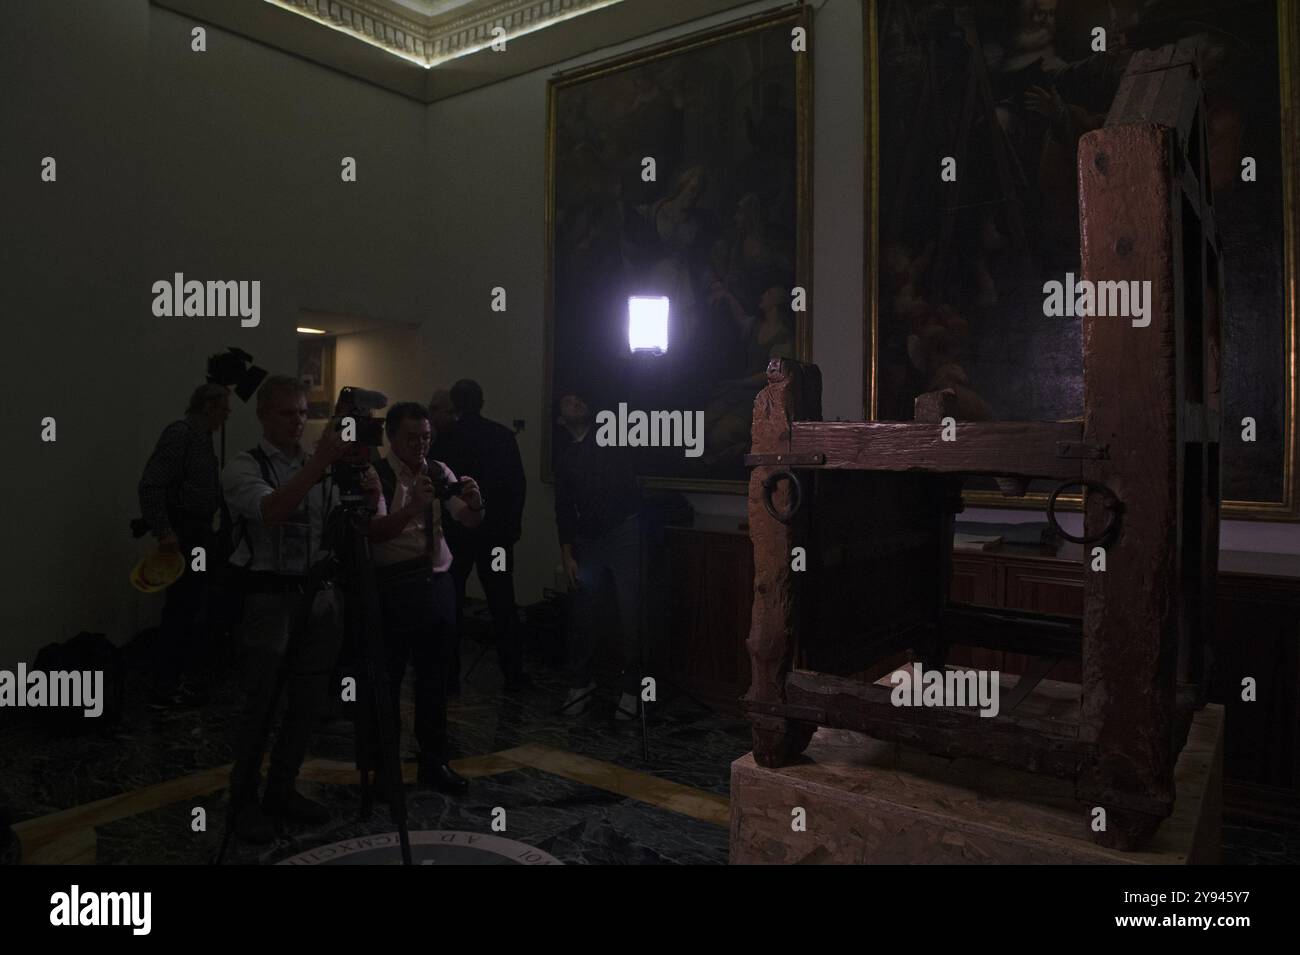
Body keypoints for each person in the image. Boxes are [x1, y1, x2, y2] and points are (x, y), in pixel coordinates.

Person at [221, 375, 381, 843]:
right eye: (286, 413)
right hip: (269, 596)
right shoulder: (242, 466)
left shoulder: (319, 465)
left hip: (320, 593)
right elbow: (273, 509)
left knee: (308, 702)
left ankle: (283, 787)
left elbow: (338, 522)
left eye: (302, 412)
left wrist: (364, 493)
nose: (296, 421)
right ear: (264, 416)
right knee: (261, 704)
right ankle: (243, 800)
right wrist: (323, 462)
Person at [368, 401, 483, 794]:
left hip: (437, 582)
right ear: (392, 437)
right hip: (394, 583)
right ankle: (385, 771)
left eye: (427, 437)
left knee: (435, 680)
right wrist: (414, 503)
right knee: (388, 680)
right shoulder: (376, 474)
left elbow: (467, 520)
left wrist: (475, 503)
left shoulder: (438, 470)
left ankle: (434, 763)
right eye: (412, 437)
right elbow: (376, 533)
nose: (420, 445)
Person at [137, 383, 230, 709]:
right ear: (209, 407)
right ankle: (164, 684)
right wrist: (165, 532)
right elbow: (151, 485)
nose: (227, 415)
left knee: (194, 607)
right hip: (185, 534)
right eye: (223, 408)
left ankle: (179, 679)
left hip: (200, 534)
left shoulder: (202, 439)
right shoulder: (181, 435)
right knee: (181, 609)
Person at [553, 391, 643, 720]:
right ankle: (581, 683)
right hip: (587, 540)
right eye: (568, 401)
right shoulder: (565, 457)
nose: (576, 402)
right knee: (583, 612)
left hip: (622, 533)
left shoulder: (611, 437)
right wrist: (567, 553)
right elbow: (562, 507)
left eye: (580, 399)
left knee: (630, 612)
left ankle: (633, 690)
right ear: (560, 419)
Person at [439, 380, 529, 690]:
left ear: (455, 403)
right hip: (496, 537)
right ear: (482, 401)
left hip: (456, 536)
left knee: (451, 602)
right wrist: (511, 529)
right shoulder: (502, 436)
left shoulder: (445, 437)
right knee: (503, 601)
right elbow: (517, 486)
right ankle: (513, 673)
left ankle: (449, 675)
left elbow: (440, 490)